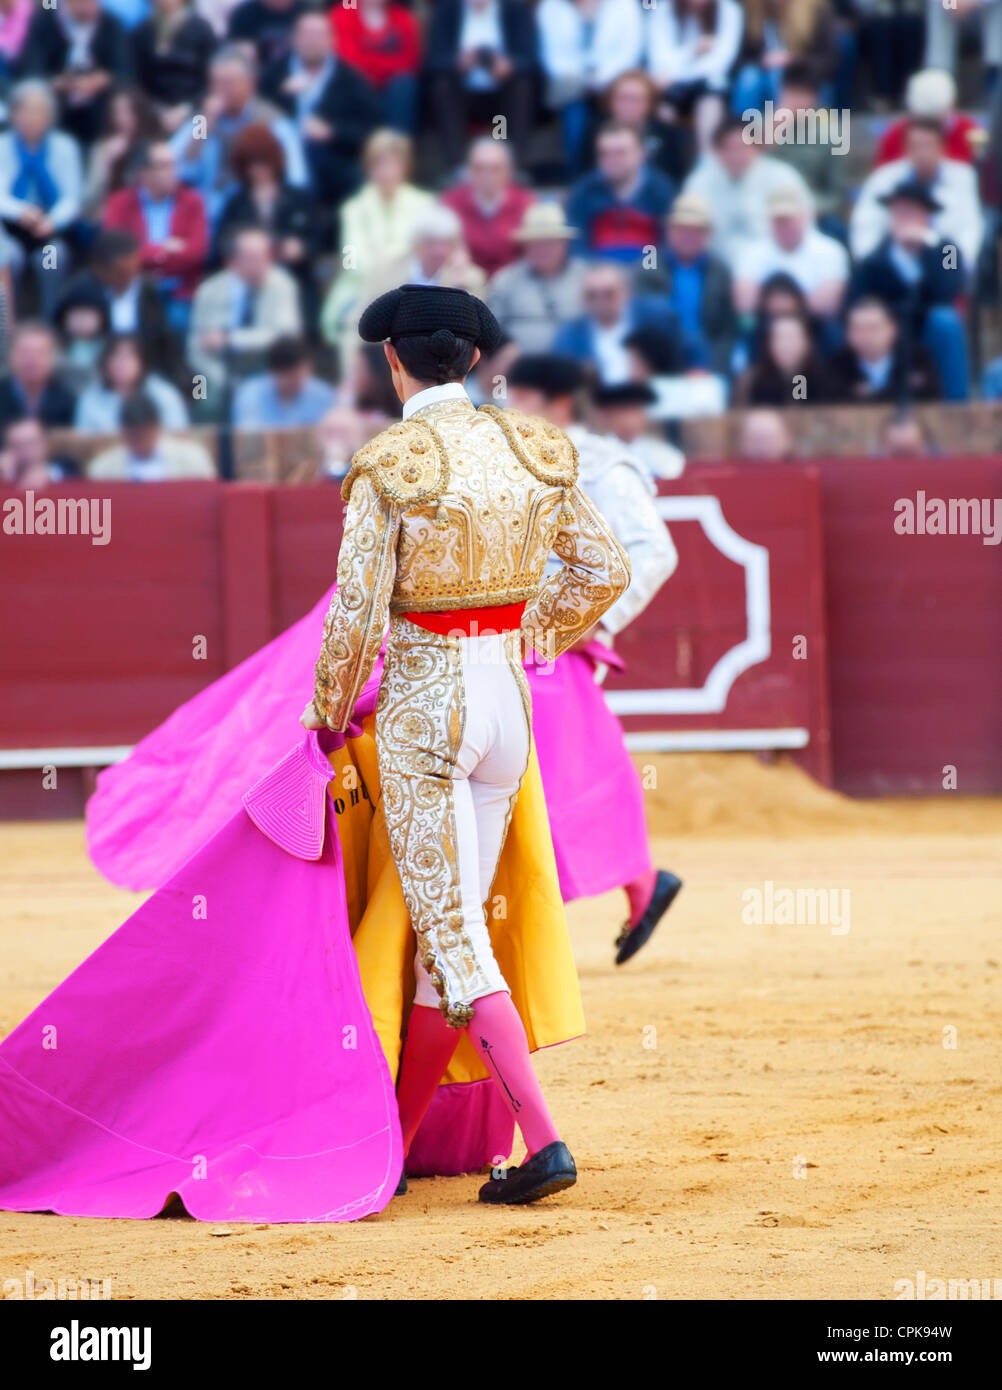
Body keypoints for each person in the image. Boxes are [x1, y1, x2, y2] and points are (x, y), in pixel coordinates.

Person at [300, 284, 631, 1202]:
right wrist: (537, 635)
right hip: (505, 705)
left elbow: (357, 614)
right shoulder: (534, 444)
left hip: (426, 711)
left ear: (393, 362)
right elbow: (607, 569)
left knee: (448, 936)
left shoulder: (389, 462)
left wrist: (326, 716)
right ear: (476, 362)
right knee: (449, 937)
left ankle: (547, 1141)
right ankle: (398, 1144)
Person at [505, 353, 683, 958]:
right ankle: (642, 884)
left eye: (520, 396)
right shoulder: (503, 455)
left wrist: (586, 620)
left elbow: (653, 551)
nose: (506, 407)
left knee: (544, 776)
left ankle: (518, 933)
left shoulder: (601, 463)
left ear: (558, 404)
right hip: (504, 636)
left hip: (547, 646)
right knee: (561, 771)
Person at [848, 178, 969, 402]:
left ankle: (956, 405)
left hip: (927, 331)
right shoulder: (873, 260)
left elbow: (950, 289)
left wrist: (927, 253)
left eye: (913, 212)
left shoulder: (947, 250)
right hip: (884, 334)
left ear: (927, 217)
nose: (906, 220)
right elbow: (858, 301)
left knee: (946, 321)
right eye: (900, 213)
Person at [261, 10, 380, 208]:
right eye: (307, 35)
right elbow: (255, 116)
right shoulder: (273, 75)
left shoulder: (353, 80)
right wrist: (282, 96)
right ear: (294, 39)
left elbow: (371, 130)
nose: (313, 42)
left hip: (334, 163)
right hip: (279, 159)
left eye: (319, 35)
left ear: (332, 39)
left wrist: (332, 132)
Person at [187, 224, 302, 409]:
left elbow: (287, 337)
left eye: (265, 256)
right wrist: (225, 381)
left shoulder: (283, 286)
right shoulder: (209, 291)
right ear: (232, 261)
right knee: (204, 396)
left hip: (268, 371)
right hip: (221, 373)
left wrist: (231, 339)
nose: (261, 263)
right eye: (252, 258)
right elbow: (195, 348)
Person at [850, 117, 985, 273]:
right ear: (906, 148)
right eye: (916, 146)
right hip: (892, 267)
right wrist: (873, 270)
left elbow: (968, 230)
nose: (922, 153)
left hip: (942, 263)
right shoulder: (883, 178)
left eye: (927, 145)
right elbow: (866, 227)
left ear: (942, 147)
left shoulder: (963, 176)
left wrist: (955, 269)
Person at [682, 115, 812, 268]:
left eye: (743, 147)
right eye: (729, 147)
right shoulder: (700, 181)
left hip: (775, 263)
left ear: (757, 147)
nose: (736, 155)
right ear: (717, 151)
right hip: (715, 268)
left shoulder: (783, 176)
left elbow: (803, 226)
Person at [0, 80, 83, 319]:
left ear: (49, 116)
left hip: (48, 230)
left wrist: (52, 221)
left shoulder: (65, 147)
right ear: (14, 114)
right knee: (8, 258)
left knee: (51, 260)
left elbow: (71, 198)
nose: (30, 117)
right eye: (24, 110)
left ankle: (49, 319)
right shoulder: (3, 146)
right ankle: (7, 323)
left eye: (38, 111)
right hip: (11, 228)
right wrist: (21, 212)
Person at [424, 0, 538, 171]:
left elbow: (530, 60)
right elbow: (433, 61)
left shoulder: (514, 9)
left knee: (521, 88)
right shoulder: (447, 10)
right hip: (462, 96)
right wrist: (458, 62)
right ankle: (458, 168)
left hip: (500, 100)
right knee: (442, 87)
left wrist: (508, 65)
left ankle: (511, 166)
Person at [536, 0, 646, 174]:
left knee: (626, 96)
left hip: (613, 79)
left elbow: (629, 53)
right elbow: (551, 58)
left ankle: (628, 169)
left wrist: (602, 78)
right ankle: (576, 173)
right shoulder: (550, 7)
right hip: (571, 82)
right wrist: (583, 78)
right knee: (574, 110)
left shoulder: (625, 5)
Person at [102, 140, 209, 312]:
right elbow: (116, 253)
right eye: (164, 166)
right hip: (133, 288)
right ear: (143, 172)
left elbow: (196, 253)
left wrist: (144, 255)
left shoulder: (193, 202)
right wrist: (164, 249)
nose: (172, 172)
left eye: (173, 165)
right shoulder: (119, 204)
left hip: (180, 289)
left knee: (178, 320)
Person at [640, 190, 736, 374]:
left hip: (708, 358)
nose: (688, 236)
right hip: (661, 357)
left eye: (696, 230)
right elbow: (644, 320)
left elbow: (727, 331)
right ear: (669, 231)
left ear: (707, 235)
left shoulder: (720, 270)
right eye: (682, 229)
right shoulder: (650, 261)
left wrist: (712, 368)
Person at [733, 185, 848, 330]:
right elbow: (745, 304)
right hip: (766, 329)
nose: (784, 226)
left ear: (805, 216)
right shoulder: (751, 251)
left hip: (814, 329)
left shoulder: (831, 250)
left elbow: (828, 305)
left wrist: (778, 304)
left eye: (789, 219)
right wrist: (800, 302)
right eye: (778, 220)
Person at [18, 0, 132, 146]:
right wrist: (57, 82)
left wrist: (101, 80)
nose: (85, 7)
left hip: (100, 113)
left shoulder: (111, 25)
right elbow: (30, 70)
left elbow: (125, 73)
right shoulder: (45, 21)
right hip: (56, 110)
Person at [552, 260, 680, 383]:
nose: (600, 301)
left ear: (626, 292)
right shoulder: (569, 335)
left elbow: (687, 349)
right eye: (591, 295)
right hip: (595, 402)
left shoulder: (655, 318)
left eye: (609, 294)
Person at [566, 121, 675, 263]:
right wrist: (598, 273)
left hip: (648, 277)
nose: (612, 160)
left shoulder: (662, 190)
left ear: (641, 154)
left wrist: (648, 273)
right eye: (604, 153)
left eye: (620, 153)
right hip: (597, 278)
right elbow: (577, 246)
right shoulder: (584, 191)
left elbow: (669, 245)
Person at [645, 0, 744, 155]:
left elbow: (720, 62)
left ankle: (707, 159)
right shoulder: (663, 9)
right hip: (671, 87)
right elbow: (659, 59)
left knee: (710, 95)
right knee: (663, 104)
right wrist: (693, 50)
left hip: (706, 85)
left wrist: (676, 72)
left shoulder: (729, 10)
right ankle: (668, 161)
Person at [486, 200, 586, 353]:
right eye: (537, 243)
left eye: (551, 242)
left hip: (577, 364)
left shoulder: (585, 277)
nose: (544, 249)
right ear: (525, 246)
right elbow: (491, 331)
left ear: (564, 244)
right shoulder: (505, 281)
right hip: (520, 369)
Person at [441, 137, 536, 280]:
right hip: (465, 280)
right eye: (479, 168)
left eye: (495, 169)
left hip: (513, 281)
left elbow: (532, 252)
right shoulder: (451, 202)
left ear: (508, 171)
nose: (487, 176)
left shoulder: (525, 202)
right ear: (468, 171)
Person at [329, 0, 423, 134]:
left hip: (392, 90)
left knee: (404, 85)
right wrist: (387, 64)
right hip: (356, 88)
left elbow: (409, 62)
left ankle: (398, 147)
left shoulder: (403, 18)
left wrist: (369, 62)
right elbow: (347, 62)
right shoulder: (342, 14)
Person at [829, 297, 940, 406]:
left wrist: (872, 394)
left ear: (892, 329)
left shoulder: (916, 359)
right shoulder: (838, 364)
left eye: (873, 328)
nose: (865, 337)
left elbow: (932, 397)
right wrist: (900, 388)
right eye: (857, 329)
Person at [74, 332, 191, 432]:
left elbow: (179, 436)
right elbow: (83, 442)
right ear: (105, 361)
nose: (121, 363)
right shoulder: (91, 398)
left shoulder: (164, 395)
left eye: (129, 356)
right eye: (115, 356)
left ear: (142, 361)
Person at [87, 389, 216, 479]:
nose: (141, 442)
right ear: (124, 433)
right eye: (135, 437)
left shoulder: (193, 461)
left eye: (146, 435)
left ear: (157, 427)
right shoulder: (103, 469)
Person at [131, 0, 217, 133]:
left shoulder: (202, 30)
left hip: (194, 108)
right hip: (154, 112)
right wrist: (159, 110)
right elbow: (137, 80)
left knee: (202, 129)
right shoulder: (143, 32)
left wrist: (186, 109)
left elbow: (209, 80)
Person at [230, 333, 336, 427]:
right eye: (293, 376)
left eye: (305, 373)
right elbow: (250, 438)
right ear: (274, 373)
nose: (301, 381)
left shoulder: (323, 394)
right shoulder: (250, 395)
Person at [738, 310, 830, 407]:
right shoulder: (750, 381)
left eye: (792, 338)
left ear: (807, 343)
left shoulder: (826, 380)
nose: (786, 346)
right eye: (779, 338)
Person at [0, 321, 76, 431]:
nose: (32, 360)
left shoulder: (68, 400)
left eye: (41, 353)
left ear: (53, 358)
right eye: (24, 352)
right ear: (10, 356)